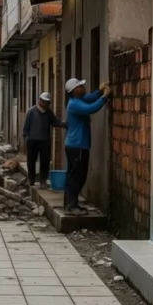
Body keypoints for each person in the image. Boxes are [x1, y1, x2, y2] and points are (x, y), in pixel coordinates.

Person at [64, 77, 110, 214]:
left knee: (75, 176)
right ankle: (71, 206)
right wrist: (105, 97)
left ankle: (70, 204)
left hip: (77, 146)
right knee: (77, 177)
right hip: (76, 146)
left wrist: (99, 92)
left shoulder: (78, 100)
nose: (83, 88)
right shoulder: (74, 104)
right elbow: (91, 108)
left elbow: (90, 98)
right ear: (75, 90)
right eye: (80, 86)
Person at [22, 91, 66, 189]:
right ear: (40, 101)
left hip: (44, 141)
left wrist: (65, 124)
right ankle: (31, 179)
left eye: (48, 102)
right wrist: (25, 137)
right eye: (45, 101)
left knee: (45, 161)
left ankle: (43, 181)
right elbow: (26, 127)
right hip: (32, 140)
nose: (46, 104)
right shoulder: (31, 111)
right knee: (31, 161)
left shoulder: (49, 113)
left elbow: (55, 122)